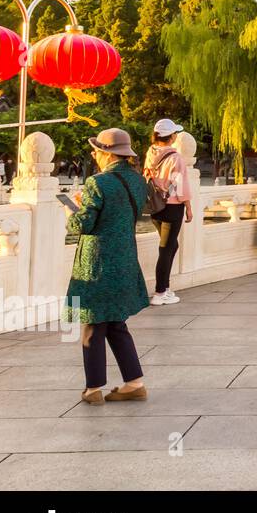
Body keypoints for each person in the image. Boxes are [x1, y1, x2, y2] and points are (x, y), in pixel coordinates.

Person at [64, 128, 151, 404]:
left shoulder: (97, 183)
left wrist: (72, 211)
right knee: (116, 321)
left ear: (106, 153)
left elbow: (84, 224)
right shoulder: (138, 181)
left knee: (92, 322)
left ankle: (93, 389)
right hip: (125, 257)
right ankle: (134, 382)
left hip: (97, 259)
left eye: (95, 151)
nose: (93, 155)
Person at [143, 118, 192, 305]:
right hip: (172, 206)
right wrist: (188, 207)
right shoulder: (176, 158)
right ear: (171, 137)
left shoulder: (150, 153)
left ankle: (166, 288)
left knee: (171, 246)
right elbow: (179, 186)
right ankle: (160, 292)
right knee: (165, 249)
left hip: (155, 206)